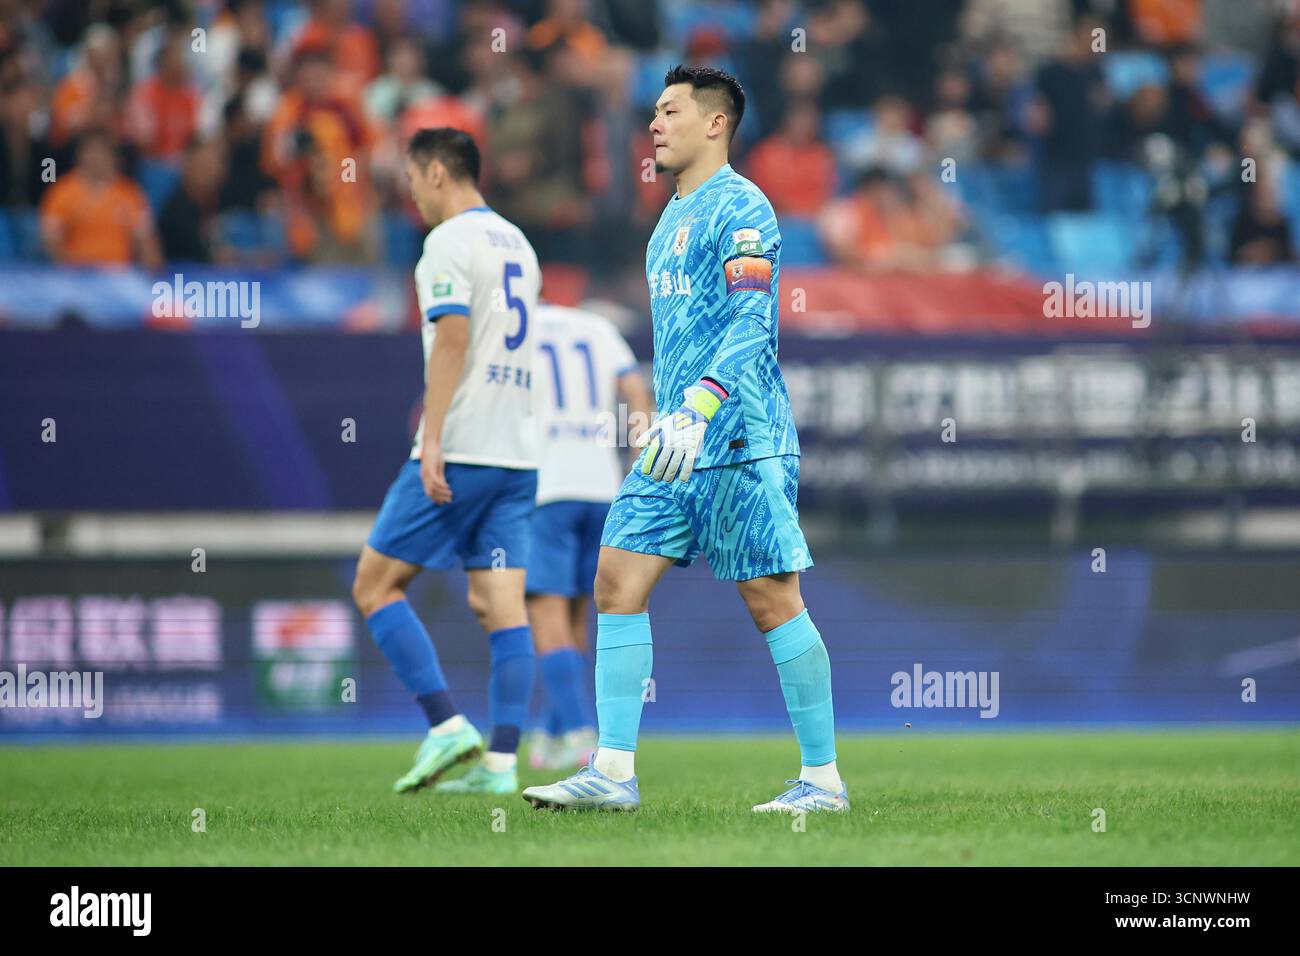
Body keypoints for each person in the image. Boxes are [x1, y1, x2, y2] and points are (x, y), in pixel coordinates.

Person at [523, 66, 847, 814]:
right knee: (614, 578)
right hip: (673, 444)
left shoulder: (744, 207)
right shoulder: (667, 221)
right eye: (654, 112)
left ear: (716, 124)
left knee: (771, 598)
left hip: (738, 436)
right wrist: (672, 416)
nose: (654, 126)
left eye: (669, 112)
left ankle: (824, 781)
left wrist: (700, 405)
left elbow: (751, 319)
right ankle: (611, 771)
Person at [351, 128, 541, 795]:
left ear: (436, 173)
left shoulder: (447, 243)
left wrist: (431, 440)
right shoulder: (517, 241)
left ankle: (444, 725)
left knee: (374, 585)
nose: (412, 196)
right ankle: (500, 765)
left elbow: (452, 341)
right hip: (518, 455)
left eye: (410, 181)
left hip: (463, 447)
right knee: (501, 606)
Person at [525, 300, 653, 771]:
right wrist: (641, 456)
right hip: (601, 488)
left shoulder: (516, 327)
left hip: (546, 487)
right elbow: (636, 388)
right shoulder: (597, 326)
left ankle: (580, 731)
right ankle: (550, 730)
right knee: (578, 615)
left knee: (545, 614)